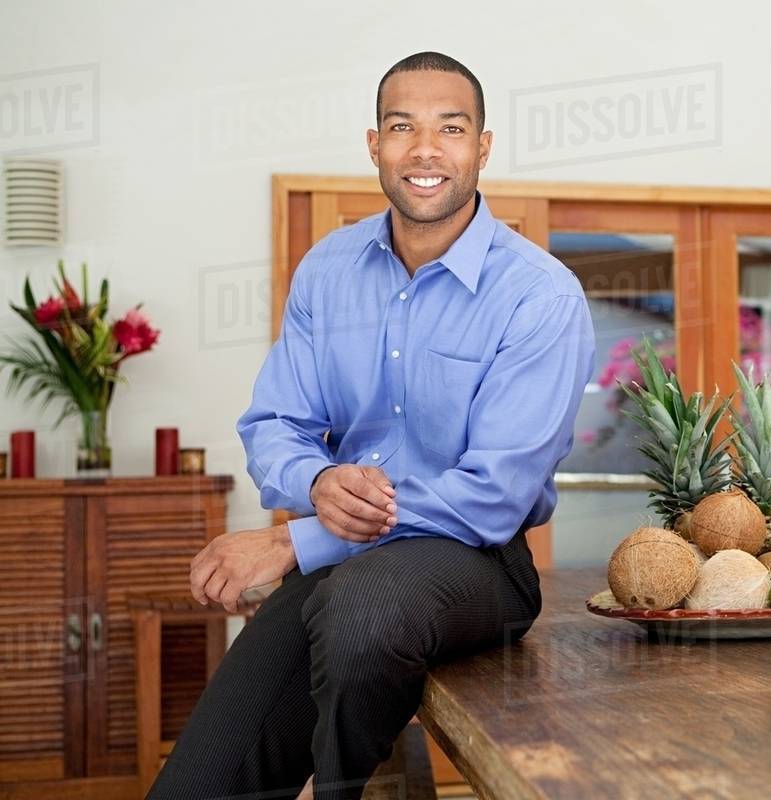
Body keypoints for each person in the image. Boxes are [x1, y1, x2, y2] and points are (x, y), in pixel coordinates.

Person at [148, 52, 595, 800]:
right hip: (340, 567)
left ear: (482, 148)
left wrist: (292, 540)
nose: (425, 149)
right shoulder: (328, 270)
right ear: (373, 145)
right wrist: (318, 482)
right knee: (197, 784)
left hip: (478, 562)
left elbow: (492, 498)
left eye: (450, 128)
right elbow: (277, 421)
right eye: (402, 127)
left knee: (366, 605)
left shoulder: (539, 296)